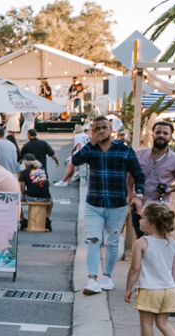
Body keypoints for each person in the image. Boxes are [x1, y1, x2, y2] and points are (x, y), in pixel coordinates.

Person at [70, 115, 145, 295]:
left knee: (112, 242)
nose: (102, 131)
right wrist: (91, 143)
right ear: (92, 131)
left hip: (117, 204)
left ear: (110, 128)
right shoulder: (90, 150)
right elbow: (75, 161)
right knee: (93, 240)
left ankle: (107, 277)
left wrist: (138, 194)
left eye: (104, 127)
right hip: (94, 203)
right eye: (97, 129)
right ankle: (91, 280)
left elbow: (138, 174)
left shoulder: (124, 150)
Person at [124, 203, 175, 336]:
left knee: (146, 323)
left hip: (149, 290)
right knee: (164, 324)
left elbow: (135, 269)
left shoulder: (142, 243)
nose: (139, 220)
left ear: (152, 224)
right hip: (169, 290)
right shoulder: (172, 243)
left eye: (143, 218)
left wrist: (128, 289)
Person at [130, 122, 175, 236]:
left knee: (157, 240)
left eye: (165, 133)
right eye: (158, 132)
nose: (161, 135)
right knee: (141, 239)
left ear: (170, 137)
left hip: (160, 209)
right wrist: (130, 194)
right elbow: (130, 175)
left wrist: (170, 189)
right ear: (153, 134)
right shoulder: (139, 154)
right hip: (139, 206)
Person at [18, 155, 54, 231]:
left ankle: (23, 220)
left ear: (25, 163)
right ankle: (47, 218)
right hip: (45, 197)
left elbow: (22, 189)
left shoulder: (24, 172)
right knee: (51, 199)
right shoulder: (43, 170)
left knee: (17, 200)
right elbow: (48, 184)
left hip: (32, 197)